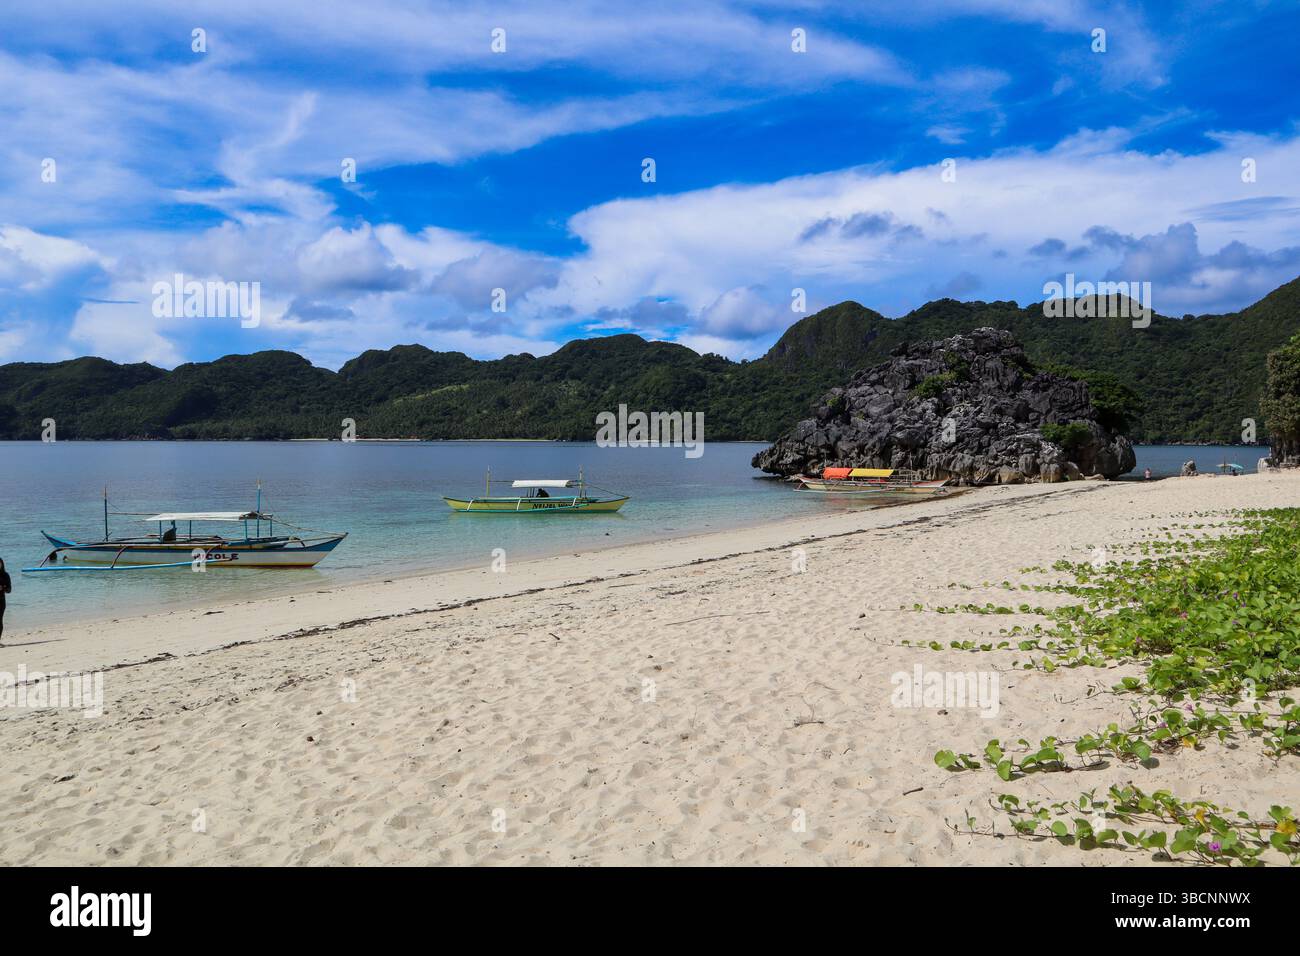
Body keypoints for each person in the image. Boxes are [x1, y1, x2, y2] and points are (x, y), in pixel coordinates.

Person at [0, 558, 11, 646]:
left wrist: (3, 588)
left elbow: (9, 590)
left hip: (1, 601)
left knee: (0, 621)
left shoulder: (5, 575)